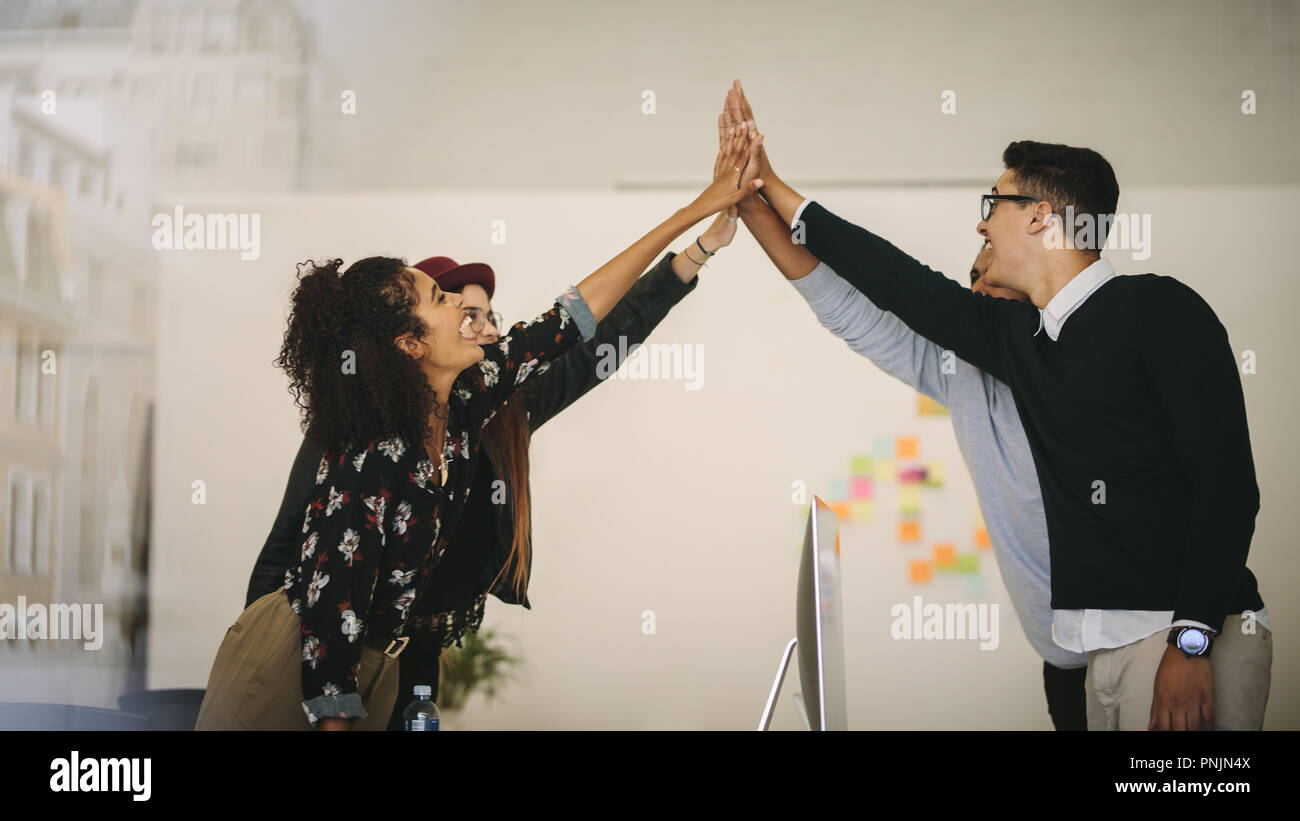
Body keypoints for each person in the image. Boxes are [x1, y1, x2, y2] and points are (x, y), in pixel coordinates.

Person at [727, 79, 1271, 731]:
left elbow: (1228, 485)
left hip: (1179, 638)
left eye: (995, 205)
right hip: (1092, 654)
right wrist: (760, 194)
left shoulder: (1157, 309)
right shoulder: (1017, 345)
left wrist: (1191, 639)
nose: (982, 224)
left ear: (1041, 214)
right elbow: (893, 285)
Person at [194, 127, 764, 730]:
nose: (473, 319)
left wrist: (693, 219)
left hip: (379, 665)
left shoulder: (468, 404)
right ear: (411, 345)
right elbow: (327, 620)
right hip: (299, 665)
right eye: (446, 302)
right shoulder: (366, 453)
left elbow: (575, 316)